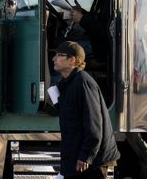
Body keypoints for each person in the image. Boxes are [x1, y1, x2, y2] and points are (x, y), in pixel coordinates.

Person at [51, 41, 120, 179]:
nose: (54, 59)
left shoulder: (83, 83)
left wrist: (86, 156)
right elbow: (70, 117)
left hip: (90, 163)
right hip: (76, 159)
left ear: (72, 60)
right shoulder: (67, 84)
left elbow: (94, 125)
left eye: (59, 55)